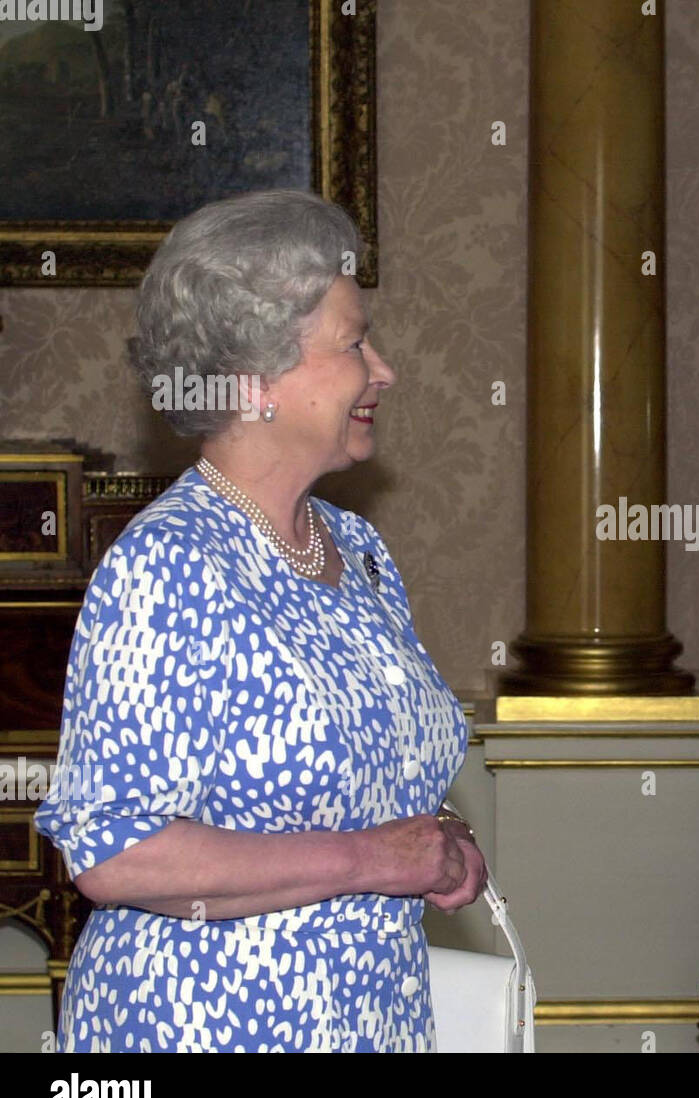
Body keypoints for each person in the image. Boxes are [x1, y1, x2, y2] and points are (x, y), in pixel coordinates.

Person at [35, 188, 486, 1052]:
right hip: (205, 1026)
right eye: (354, 343)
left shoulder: (356, 549)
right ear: (254, 381)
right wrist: (373, 858)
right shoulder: (168, 564)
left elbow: (374, 790)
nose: (382, 369)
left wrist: (437, 839)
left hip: (371, 1021)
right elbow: (116, 853)